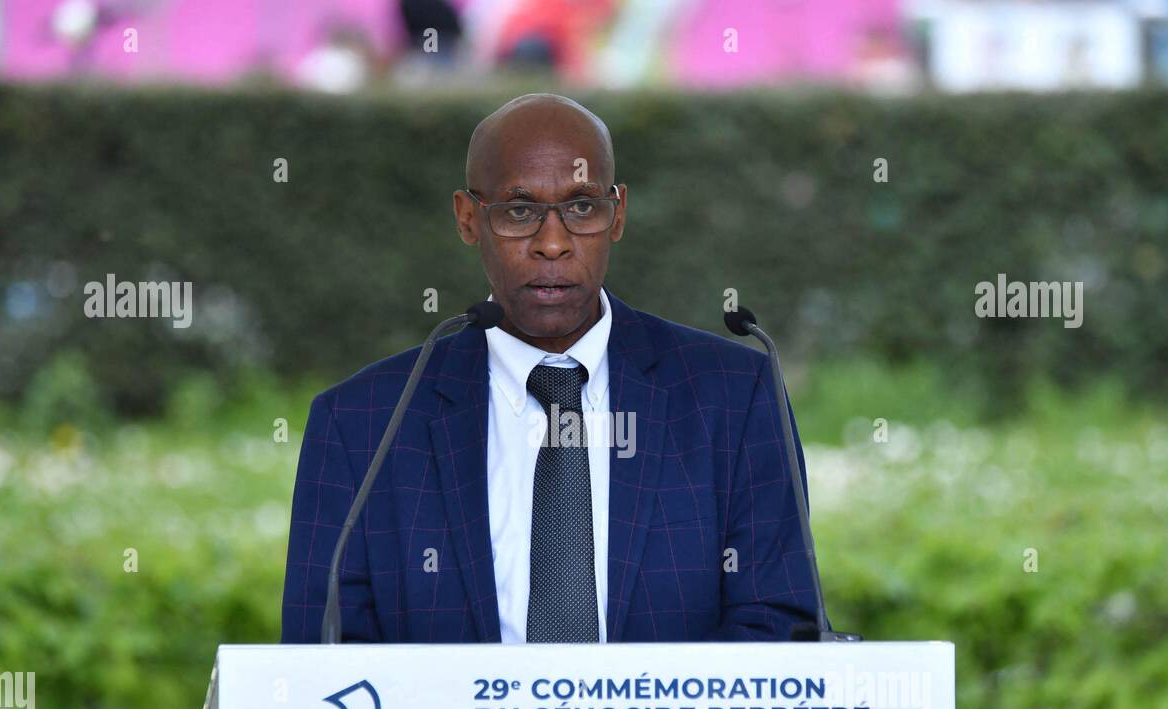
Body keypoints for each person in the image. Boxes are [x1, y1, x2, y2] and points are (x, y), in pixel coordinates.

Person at [281, 92, 825, 648]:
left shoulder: (733, 397)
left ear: (618, 215)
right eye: (519, 212)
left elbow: (778, 629)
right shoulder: (361, 423)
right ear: (469, 219)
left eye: (582, 207)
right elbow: (321, 655)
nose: (553, 243)